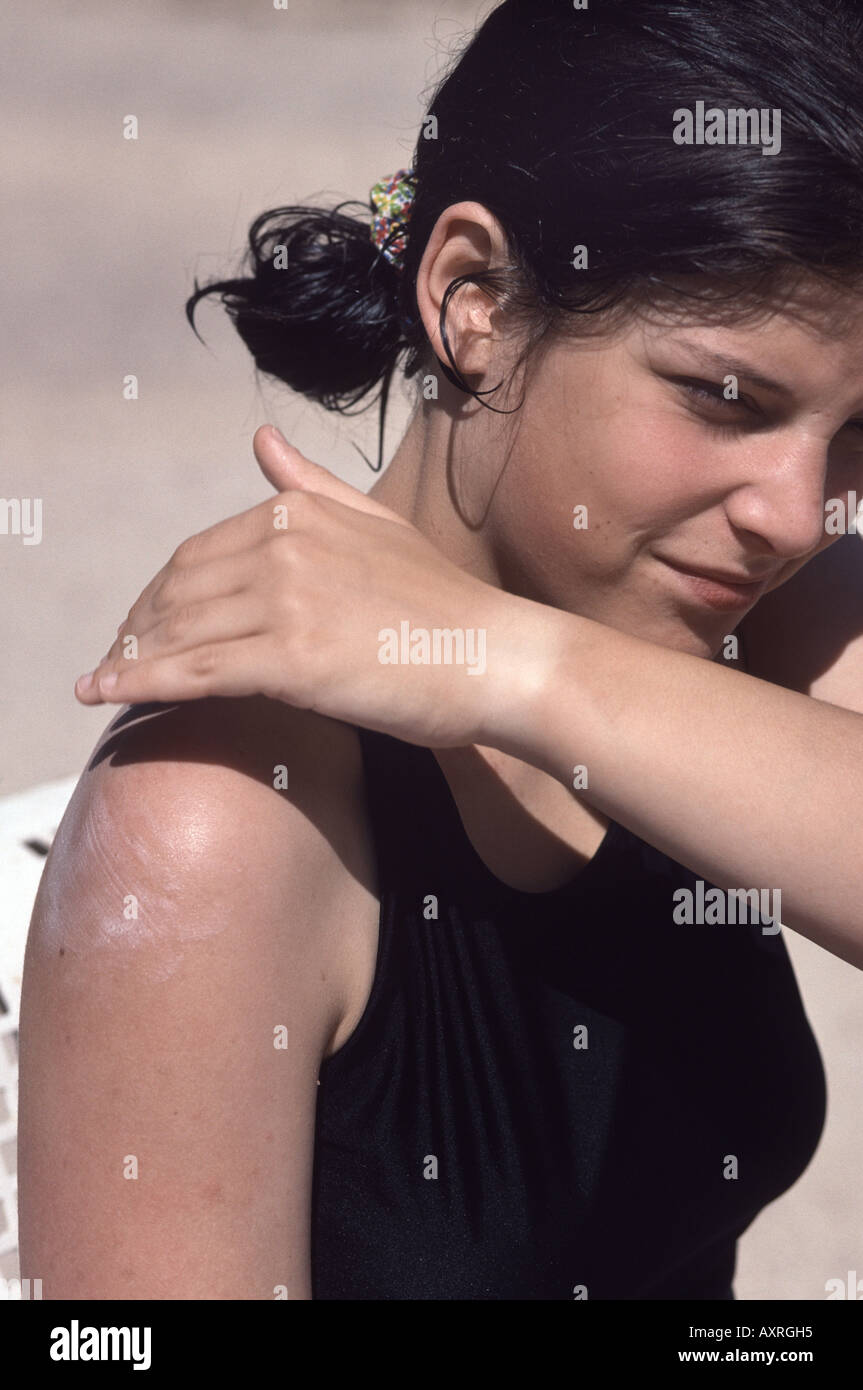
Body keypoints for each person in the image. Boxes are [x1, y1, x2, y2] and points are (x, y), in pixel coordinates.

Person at [18, 0, 863, 1299]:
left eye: (858, 431)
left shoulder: (743, 569)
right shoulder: (226, 815)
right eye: (724, 397)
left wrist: (501, 664)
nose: (802, 513)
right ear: (471, 296)